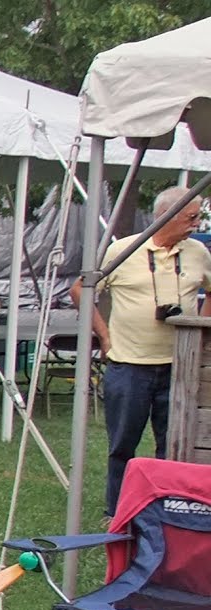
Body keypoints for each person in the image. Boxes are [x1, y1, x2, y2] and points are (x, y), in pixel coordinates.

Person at [75, 188, 211, 516]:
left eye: (198, 217)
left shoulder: (198, 252)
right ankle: (118, 511)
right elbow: (80, 289)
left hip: (181, 369)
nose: (196, 223)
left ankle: (167, 512)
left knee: (174, 445)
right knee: (123, 445)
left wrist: (202, 330)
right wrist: (105, 337)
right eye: (190, 217)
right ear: (166, 215)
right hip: (129, 365)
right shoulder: (123, 249)